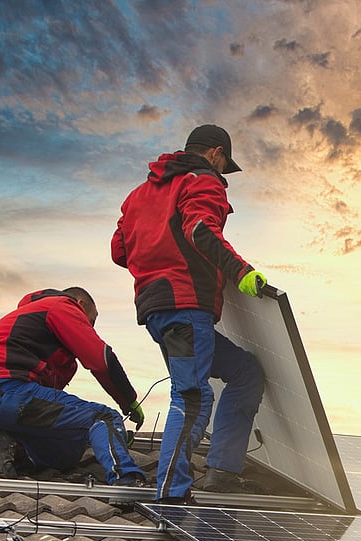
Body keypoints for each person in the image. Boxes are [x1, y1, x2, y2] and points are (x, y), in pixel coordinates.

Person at [112, 124, 267, 504]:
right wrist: (241, 272)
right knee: (193, 396)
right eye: (223, 163)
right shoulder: (203, 180)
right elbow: (200, 229)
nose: (222, 172)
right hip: (185, 304)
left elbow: (119, 250)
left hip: (155, 309)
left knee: (245, 371)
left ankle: (223, 471)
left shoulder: (139, 194)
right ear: (216, 154)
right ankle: (172, 491)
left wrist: (157, 251)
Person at [0, 287, 148, 486]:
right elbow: (101, 360)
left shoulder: (31, 324)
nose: (90, 327)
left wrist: (110, 438)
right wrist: (128, 401)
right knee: (104, 417)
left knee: (66, 456)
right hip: (4, 388)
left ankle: (12, 447)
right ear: (80, 304)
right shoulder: (61, 306)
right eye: (91, 320)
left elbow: (51, 411)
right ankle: (125, 478)